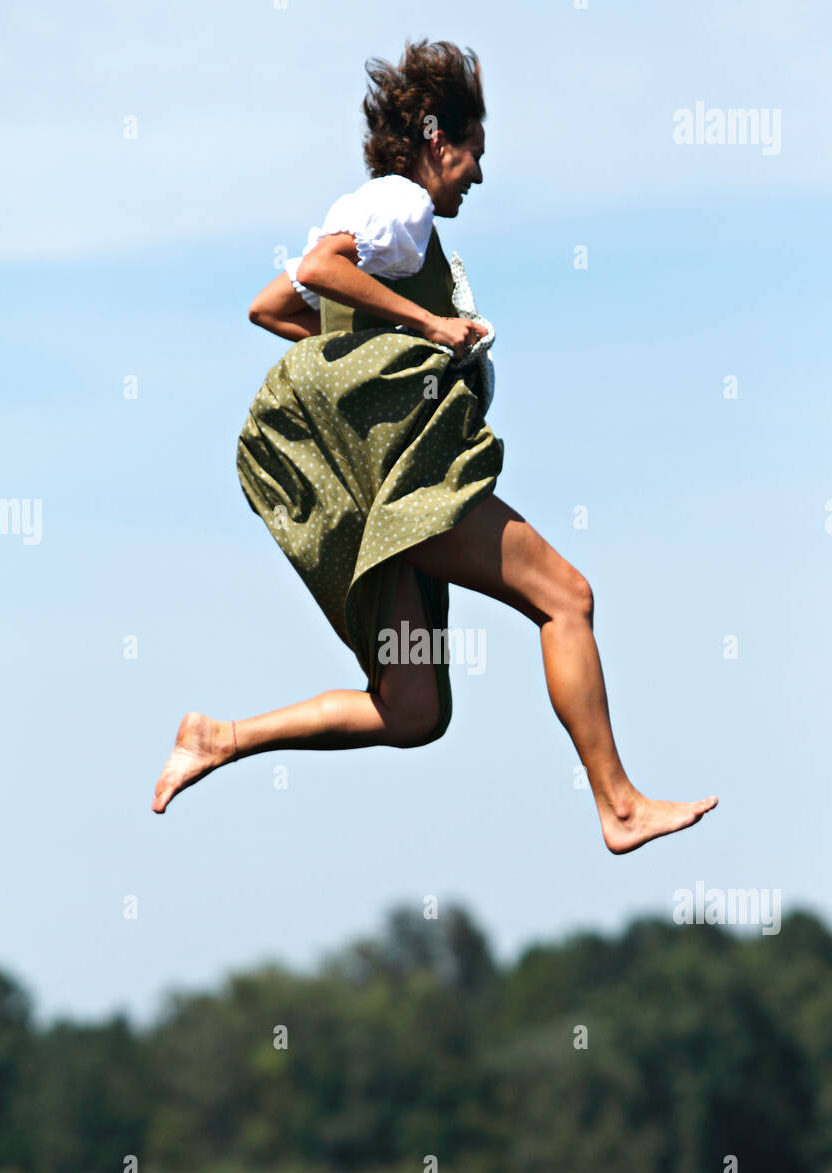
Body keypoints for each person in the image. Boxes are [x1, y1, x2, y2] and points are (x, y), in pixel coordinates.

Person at [153, 38, 718, 853]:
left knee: (413, 709)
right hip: (409, 487)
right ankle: (619, 805)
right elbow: (319, 267)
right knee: (567, 598)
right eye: (472, 157)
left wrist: (388, 335)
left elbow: (276, 306)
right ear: (435, 141)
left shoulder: (368, 207)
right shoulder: (401, 205)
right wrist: (429, 324)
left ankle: (220, 738)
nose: (478, 177)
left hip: (377, 494)